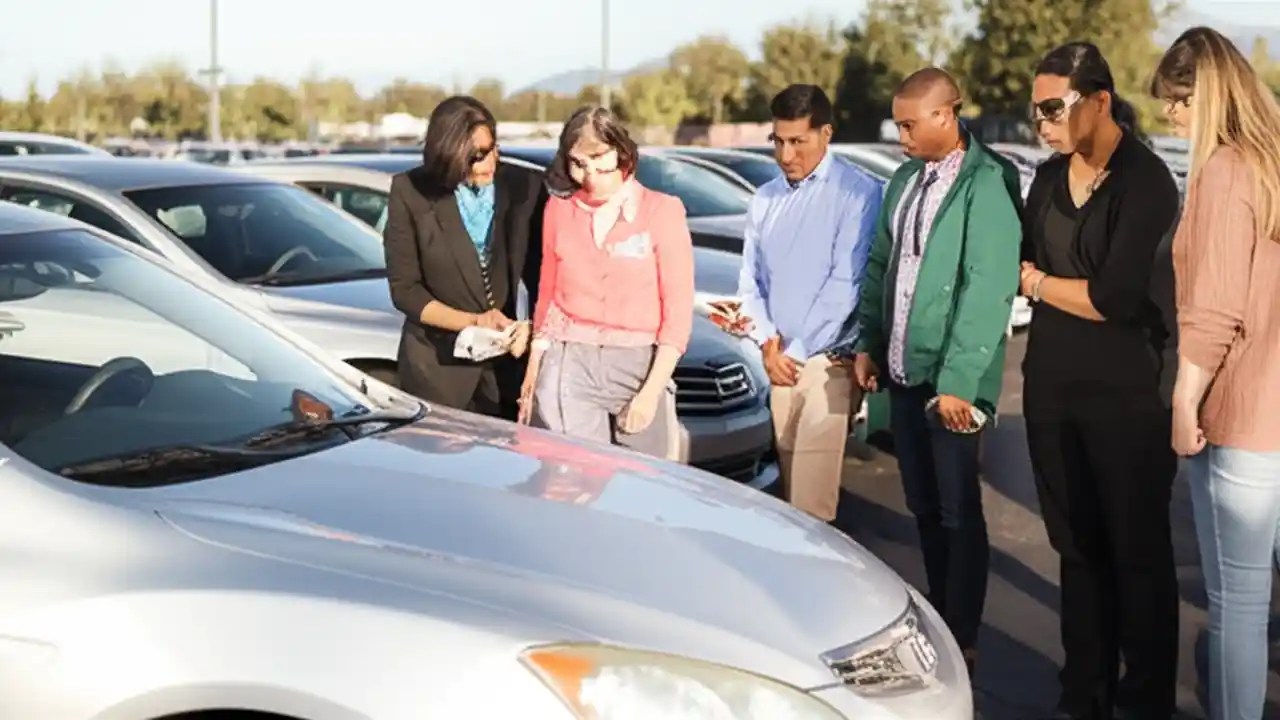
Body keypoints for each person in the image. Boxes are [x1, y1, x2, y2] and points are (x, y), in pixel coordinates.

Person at [1019, 43, 1181, 720]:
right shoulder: (1048, 179)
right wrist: (1053, 285)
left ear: (1099, 101)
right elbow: (1028, 264)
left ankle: (1145, 701)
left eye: (1053, 108)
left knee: (1136, 555)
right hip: (1051, 390)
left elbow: (1114, 297)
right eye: (1036, 112)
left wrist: (1038, 283)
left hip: (1128, 398)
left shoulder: (1145, 181)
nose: (1043, 125)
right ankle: (1082, 694)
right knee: (1076, 549)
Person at [853, 67, 1022, 679]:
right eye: (897, 123)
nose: (899, 134)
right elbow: (881, 264)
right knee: (924, 505)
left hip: (950, 382)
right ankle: (943, 619)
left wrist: (957, 381)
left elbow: (988, 286)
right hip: (902, 368)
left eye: (908, 123)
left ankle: (965, 635)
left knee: (958, 509)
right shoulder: (903, 180)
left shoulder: (987, 183)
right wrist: (868, 342)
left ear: (946, 115)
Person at [1154, 26, 1280, 720]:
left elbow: (1215, 306)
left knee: (1237, 602)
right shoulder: (1273, 163)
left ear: (1207, 93)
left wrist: (1184, 400)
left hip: (1239, 413)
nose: (1171, 118)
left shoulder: (1228, 168)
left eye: (1176, 102)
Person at [736, 84, 881, 523]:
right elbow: (751, 283)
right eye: (777, 141)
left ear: (826, 134)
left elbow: (845, 287)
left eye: (797, 141)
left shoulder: (857, 193)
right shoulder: (765, 199)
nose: (785, 154)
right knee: (791, 502)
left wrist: (793, 355)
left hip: (826, 366)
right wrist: (767, 346)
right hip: (778, 363)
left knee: (813, 510)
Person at [517, 106, 694, 459]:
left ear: (623, 154)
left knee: (646, 489)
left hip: (640, 364)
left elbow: (677, 312)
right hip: (570, 360)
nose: (590, 177)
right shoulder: (559, 209)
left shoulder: (662, 211)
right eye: (578, 164)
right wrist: (534, 369)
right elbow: (547, 291)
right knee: (576, 484)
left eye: (601, 164)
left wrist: (651, 391)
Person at [383, 96, 544, 419]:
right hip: (436, 371)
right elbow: (406, 291)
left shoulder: (525, 187)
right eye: (477, 156)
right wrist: (473, 321)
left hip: (506, 373)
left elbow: (543, 278)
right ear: (449, 153)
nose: (490, 161)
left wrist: (532, 332)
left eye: (493, 148)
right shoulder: (410, 191)